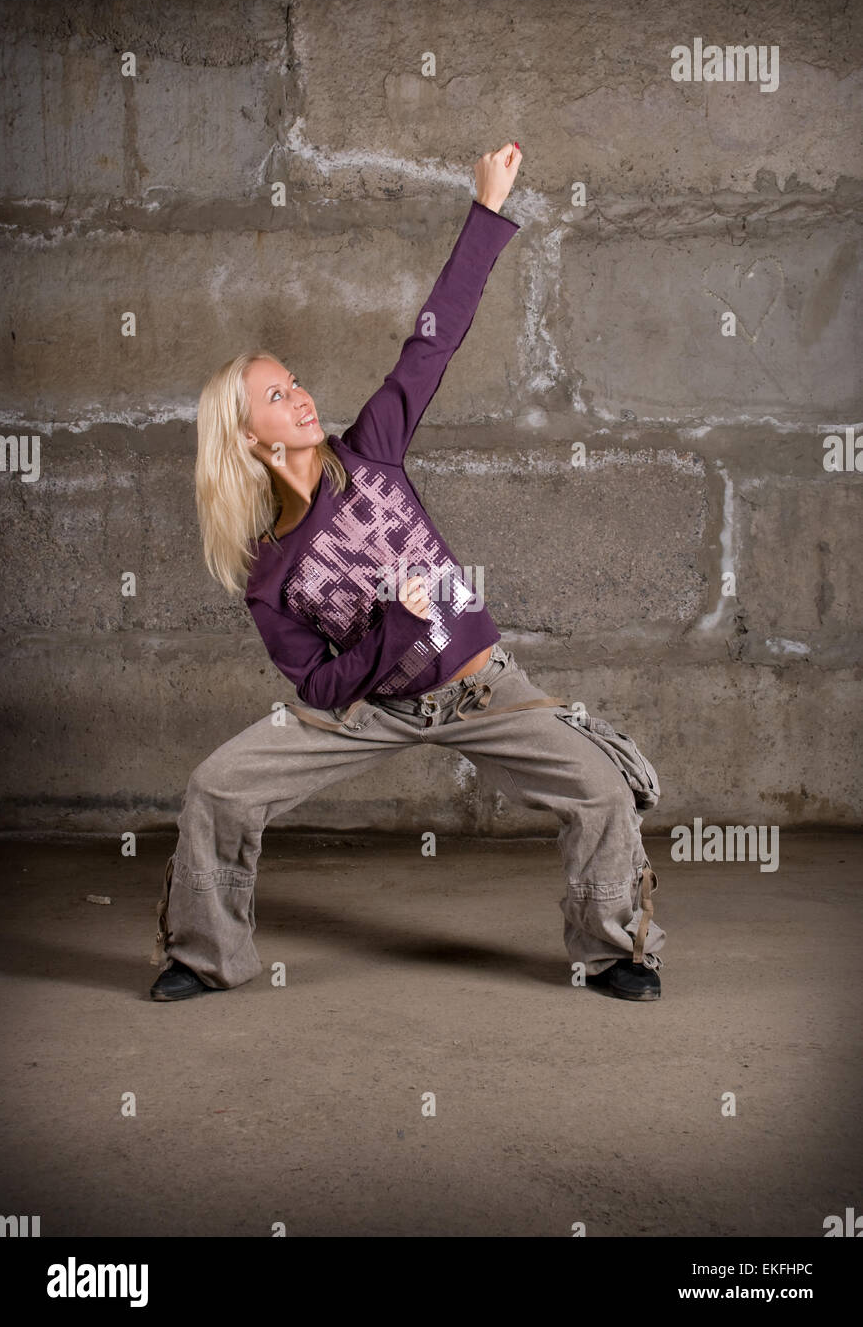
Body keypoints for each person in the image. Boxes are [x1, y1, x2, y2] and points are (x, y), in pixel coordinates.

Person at [149, 143, 666, 1004]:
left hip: (479, 685)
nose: (301, 397)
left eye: (296, 383)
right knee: (217, 788)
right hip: (370, 710)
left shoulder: (372, 452)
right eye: (276, 396)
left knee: (602, 787)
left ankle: (615, 952)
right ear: (245, 437)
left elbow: (433, 340)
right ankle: (205, 956)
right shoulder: (267, 572)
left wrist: (487, 208)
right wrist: (396, 623)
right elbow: (321, 687)